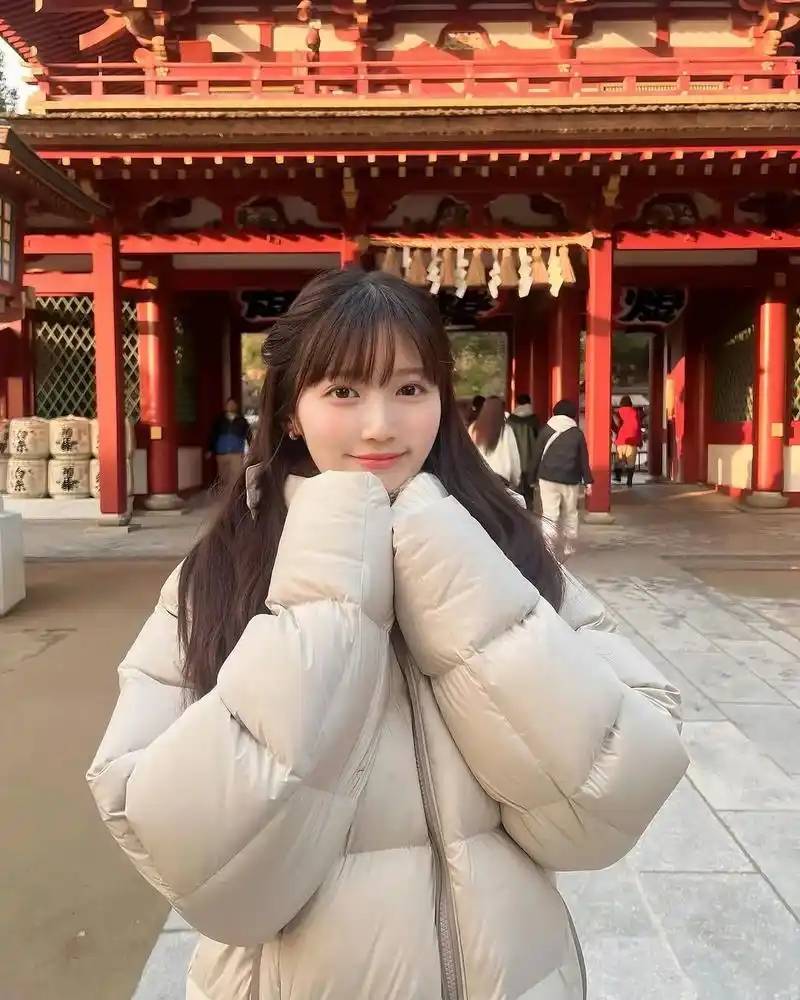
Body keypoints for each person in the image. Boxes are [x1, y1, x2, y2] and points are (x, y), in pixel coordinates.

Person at [87, 270, 687, 1000]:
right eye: (343, 391)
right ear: (292, 411)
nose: (380, 424)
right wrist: (328, 591)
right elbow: (179, 848)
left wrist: (452, 564)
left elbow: (610, 799)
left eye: (409, 389)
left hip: (514, 976)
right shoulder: (219, 572)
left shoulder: (504, 547)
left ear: (441, 399)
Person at [530, 398, 593, 558]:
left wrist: (531, 477)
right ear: (573, 414)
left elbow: (536, 455)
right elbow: (583, 459)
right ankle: (569, 545)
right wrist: (588, 481)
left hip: (547, 477)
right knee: (570, 512)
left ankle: (549, 544)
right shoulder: (577, 433)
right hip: (570, 479)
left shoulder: (546, 430)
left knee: (549, 513)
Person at [468, 394, 522, 489]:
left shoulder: (473, 428)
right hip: (501, 480)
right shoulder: (506, 430)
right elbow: (514, 457)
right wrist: (516, 480)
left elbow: (467, 453)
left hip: (479, 478)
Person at [206, 397, 252, 488]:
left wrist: (251, 449)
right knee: (223, 478)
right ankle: (224, 495)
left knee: (236, 478)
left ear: (236, 406)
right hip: (222, 453)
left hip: (236, 453)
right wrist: (210, 449)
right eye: (229, 404)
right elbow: (213, 435)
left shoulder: (242, 421)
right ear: (225, 406)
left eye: (233, 404)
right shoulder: (219, 420)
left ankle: (233, 495)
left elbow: (249, 435)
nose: (231, 406)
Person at [507, 392, 540, 507]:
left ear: (517, 403)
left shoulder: (510, 420)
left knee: (516, 489)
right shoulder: (534, 419)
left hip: (514, 458)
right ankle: (529, 509)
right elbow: (539, 439)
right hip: (530, 459)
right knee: (529, 490)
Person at [613, 394, 643, 488]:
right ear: (630, 403)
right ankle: (629, 481)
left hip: (621, 440)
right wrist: (640, 441)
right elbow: (638, 427)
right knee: (631, 462)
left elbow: (616, 425)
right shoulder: (635, 412)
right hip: (633, 441)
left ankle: (618, 477)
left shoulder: (619, 412)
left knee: (618, 460)